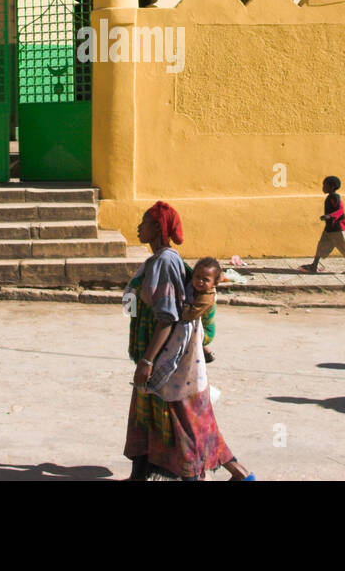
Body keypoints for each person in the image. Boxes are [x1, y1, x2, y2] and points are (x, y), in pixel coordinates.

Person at [123, 202, 254, 480]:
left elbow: (168, 316)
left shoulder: (164, 261)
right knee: (155, 416)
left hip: (166, 360)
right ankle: (141, 474)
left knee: (188, 422)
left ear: (158, 227)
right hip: (159, 355)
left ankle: (222, 472)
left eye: (144, 221)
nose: (139, 226)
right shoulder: (159, 259)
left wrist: (148, 360)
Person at [300, 175, 345, 274]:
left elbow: (340, 210)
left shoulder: (335, 197)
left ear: (331, 187)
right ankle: (314, 265)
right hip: (329, 228)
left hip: (338, 228)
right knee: (321, 245)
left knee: (344, 246)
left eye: (325, 185)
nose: (323, 187)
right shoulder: (330, 197)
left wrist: (330, 216)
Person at [181, 256, 221, 363]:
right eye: (197, 277)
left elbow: (189, 315)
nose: (200, 281)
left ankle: (201, 351)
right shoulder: (193, 287)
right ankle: (204, 351)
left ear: (214, 283)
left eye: (206, 280)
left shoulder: (206, 298)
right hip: (199, 326)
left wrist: (181, 306)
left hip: (206, 332)